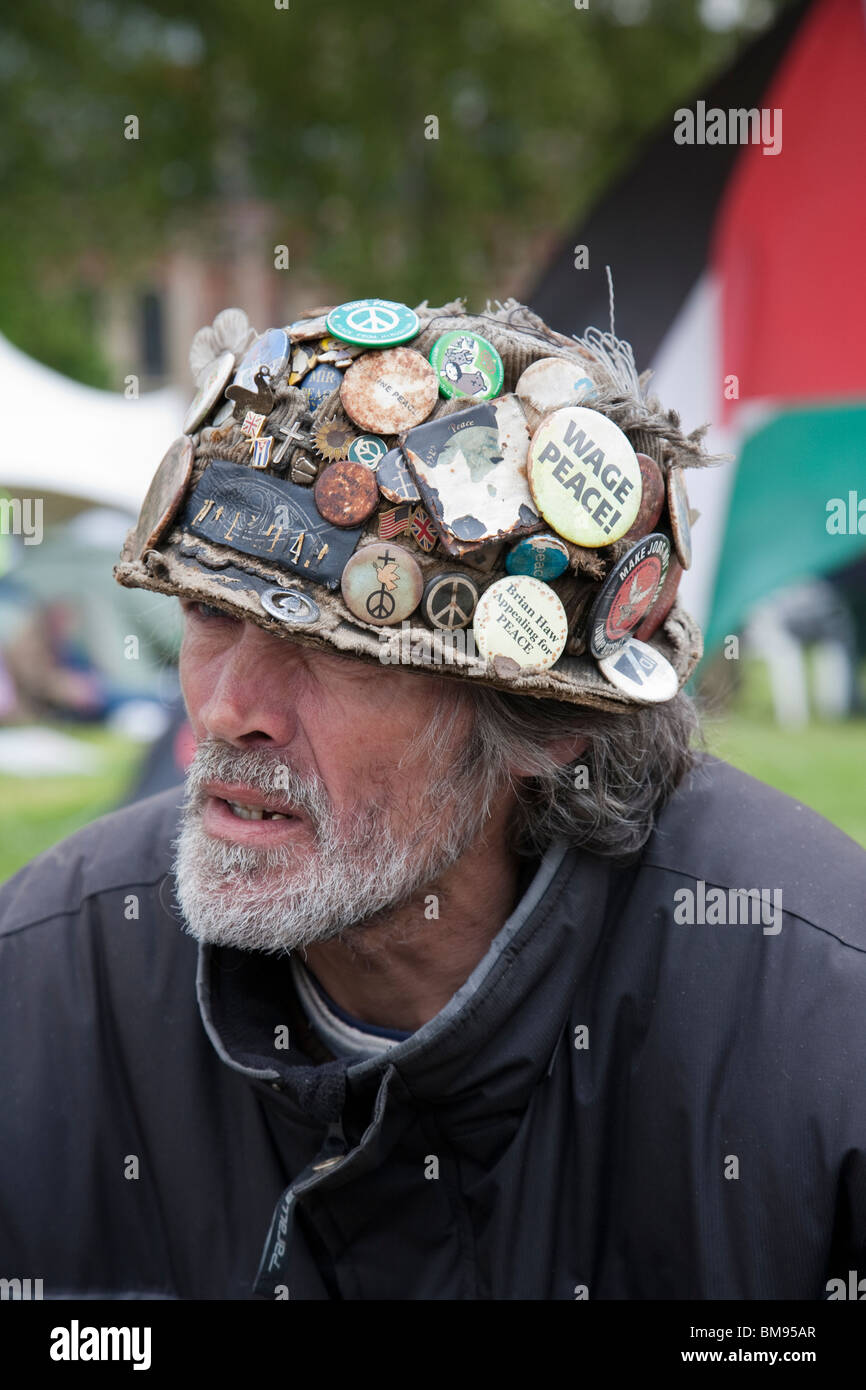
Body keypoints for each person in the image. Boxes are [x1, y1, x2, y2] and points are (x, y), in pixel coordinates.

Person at [1, 298, 864, 1301]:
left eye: (337, 652)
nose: (230, 707)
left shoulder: (816, 1027)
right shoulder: (45, 981)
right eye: (206, 610)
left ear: (545, 724)